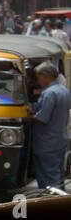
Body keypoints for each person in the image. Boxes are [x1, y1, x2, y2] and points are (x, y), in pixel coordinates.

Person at [31, 61, 71, 189]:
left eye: (39, 77)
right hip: (59, 139)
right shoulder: (63, 90)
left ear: (45, 75)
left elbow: (42, 118)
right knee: (57, 175)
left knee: (48, 178)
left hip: (47, 142)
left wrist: (28, 117)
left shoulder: (49, 93)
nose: (38, 81)